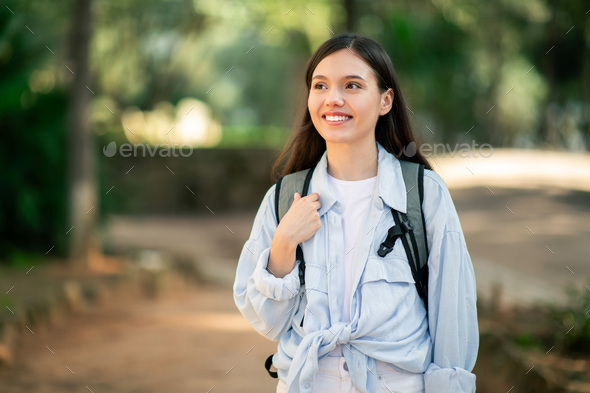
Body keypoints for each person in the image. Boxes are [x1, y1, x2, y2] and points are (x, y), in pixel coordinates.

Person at [233, 32, 478, 393]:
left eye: (352, 85)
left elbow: (452, 313)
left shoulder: (424, 195)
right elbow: (267, 322)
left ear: (385, 100)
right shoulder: (284, 198)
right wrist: (283, 244)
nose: (333, 99)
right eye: (320, 85)